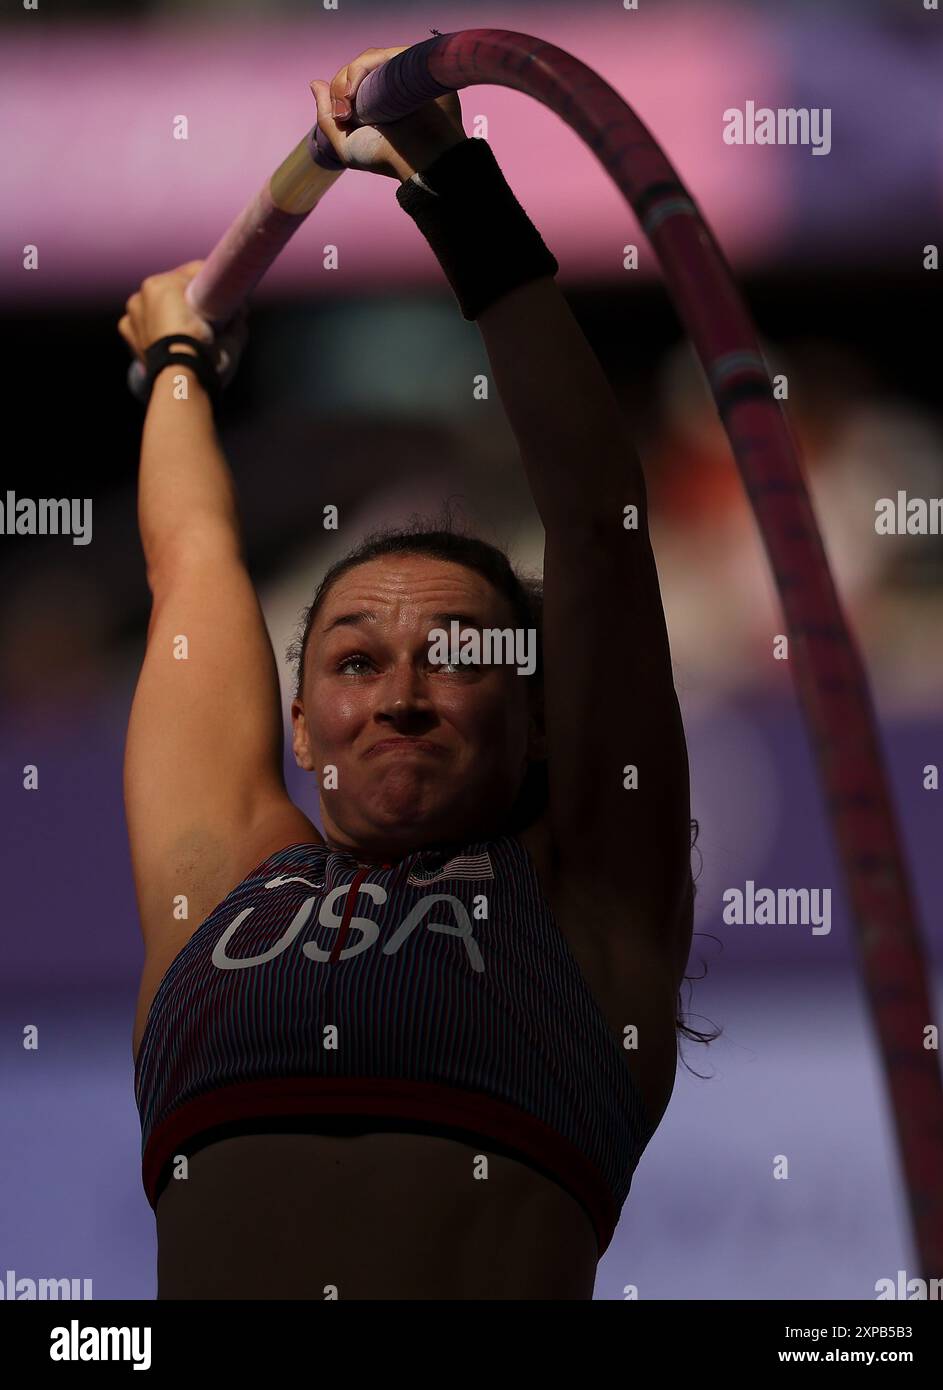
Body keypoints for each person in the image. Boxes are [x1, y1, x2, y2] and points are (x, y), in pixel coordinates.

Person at [119, 44, 699, 1301]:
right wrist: (177, 365)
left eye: (456, 660)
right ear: (301, 722)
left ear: (541, 724)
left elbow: (597, 518)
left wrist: (449, 174)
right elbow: (194, 562)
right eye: (356, 661)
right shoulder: (219, 873)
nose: (399, 695)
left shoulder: (594, 909)